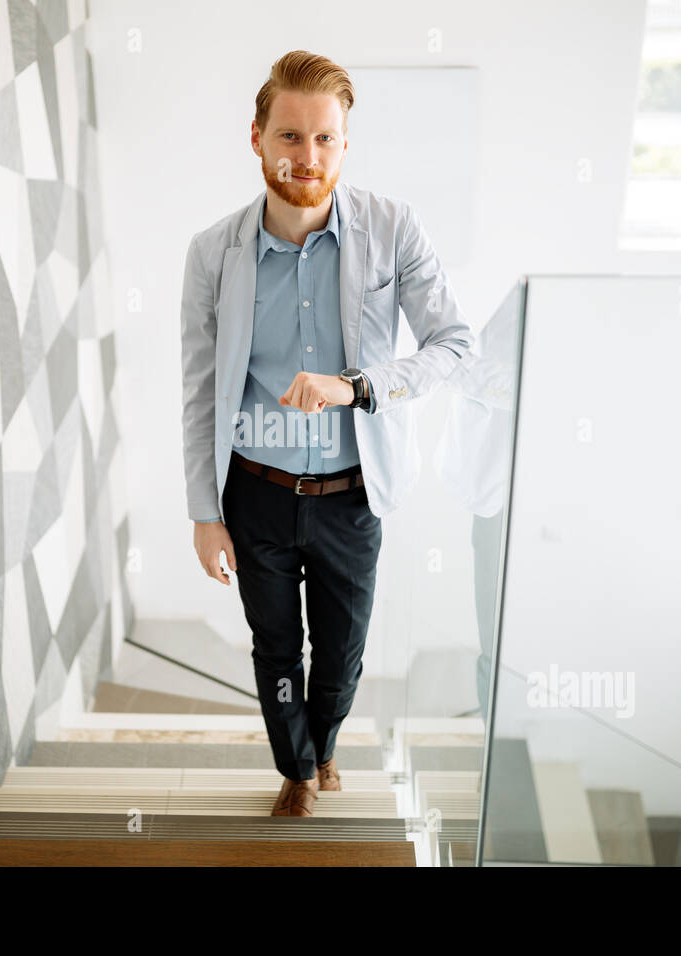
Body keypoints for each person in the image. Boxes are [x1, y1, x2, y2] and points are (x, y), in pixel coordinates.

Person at [179, 50, 475, 816]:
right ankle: (298, 770)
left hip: (353, 497)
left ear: (345, 143)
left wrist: (358, 388)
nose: (306, 157)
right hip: (257, 494)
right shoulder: (213, 253)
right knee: (276, 648)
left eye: (324, 140)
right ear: (256, 137)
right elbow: (200, 390)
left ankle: (327, 740)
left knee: (341, 654)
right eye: (289, 136)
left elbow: (453, 344)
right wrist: (204, 513)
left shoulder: (393, 228)